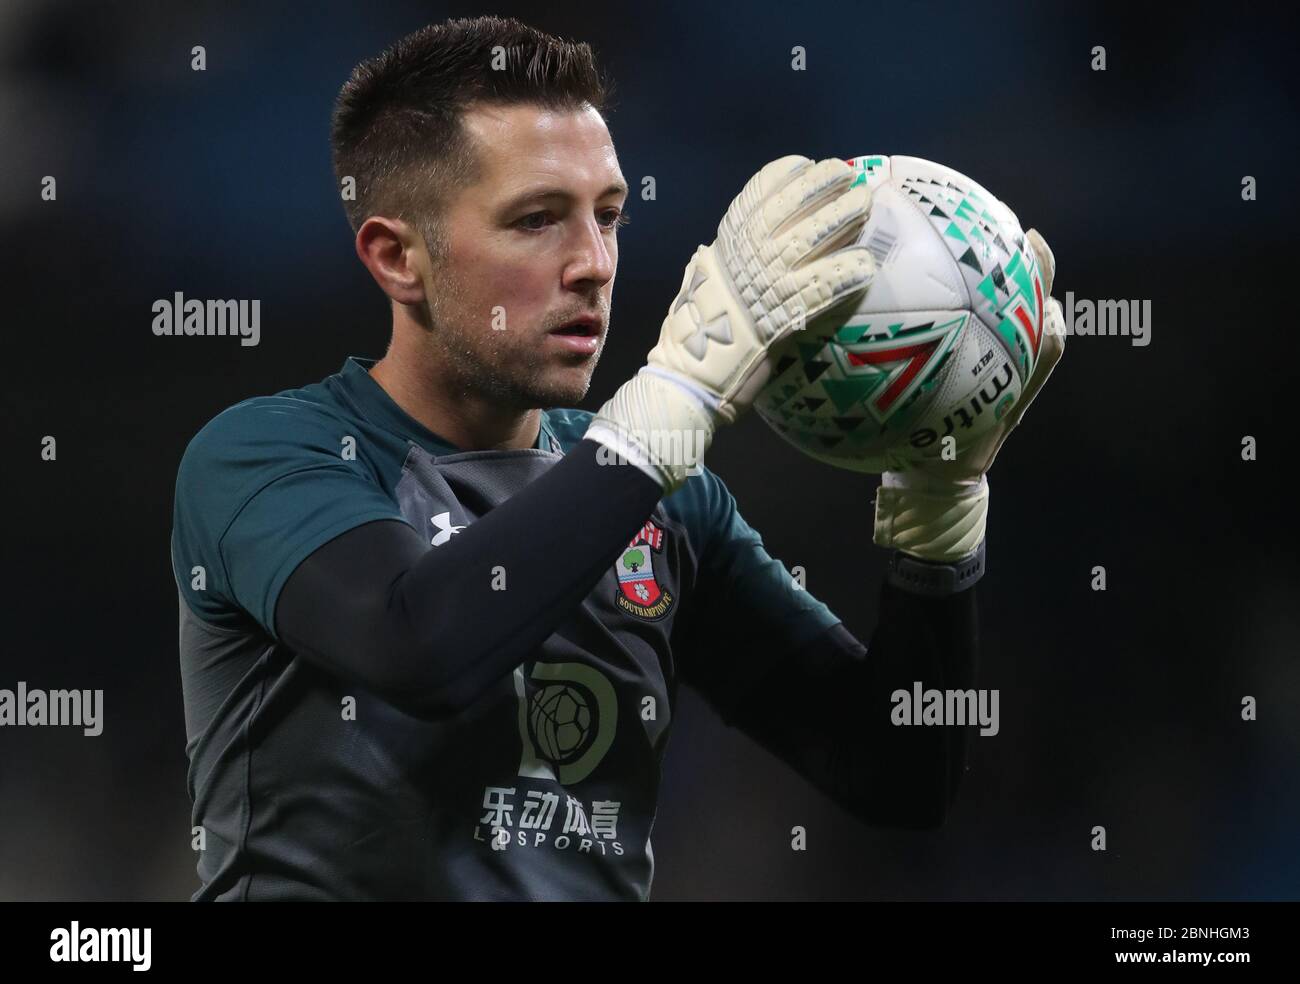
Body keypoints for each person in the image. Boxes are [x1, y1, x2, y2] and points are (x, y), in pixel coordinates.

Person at [170, 15, 1064, 901]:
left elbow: (896, 775)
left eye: (607, 216)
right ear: (398, 257)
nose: (594, 263)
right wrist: (672, 399)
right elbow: (423, 649)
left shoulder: (671, 507)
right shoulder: (265, 456)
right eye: (536, 221)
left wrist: (939, 515)